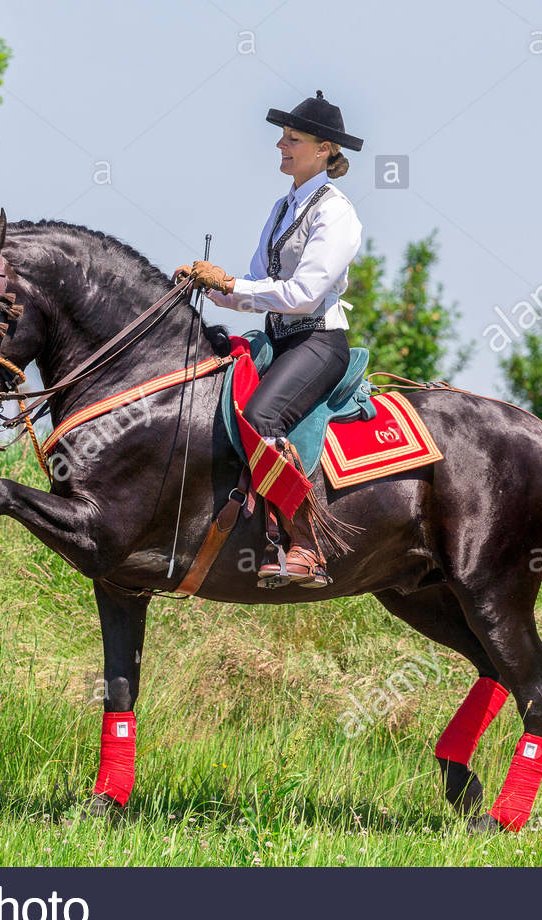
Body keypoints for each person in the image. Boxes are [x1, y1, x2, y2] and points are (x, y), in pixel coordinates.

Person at [175, 90, 364, 587]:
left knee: (261, 416)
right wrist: (211, 287)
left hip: (318, 343)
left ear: (324, 150)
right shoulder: (282, 209)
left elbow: (302, 295)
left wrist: (231, 284)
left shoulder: (336, 213)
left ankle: (306, 544)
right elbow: (259, 288)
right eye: (283, 137)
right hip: (278, 341)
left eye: (292, 139)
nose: (281, 145)